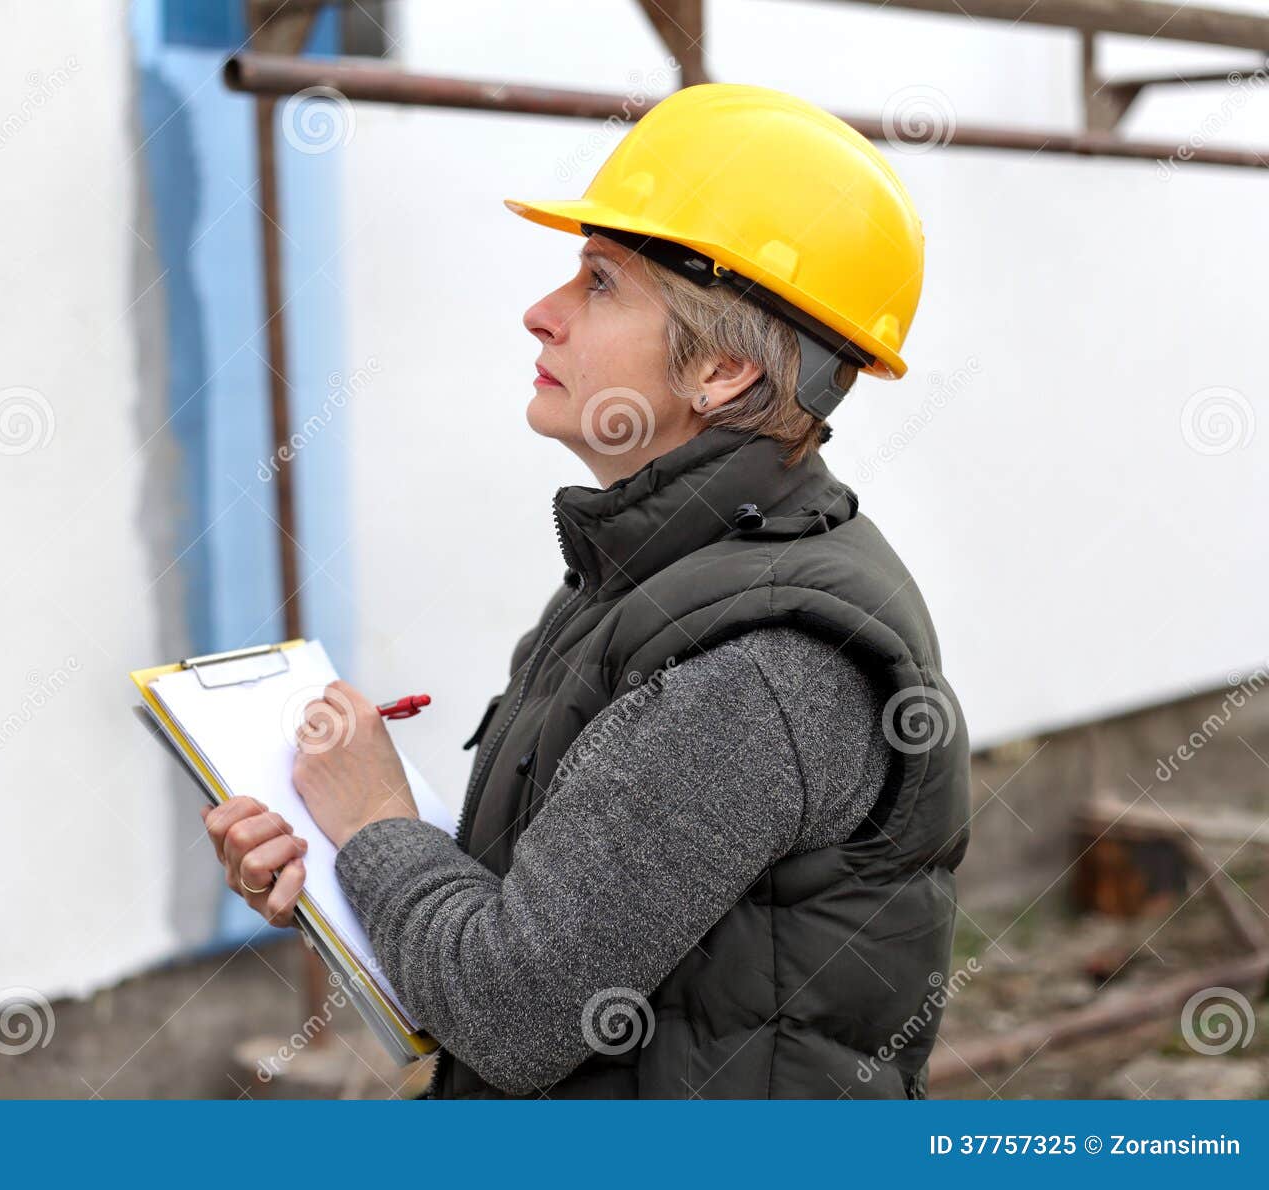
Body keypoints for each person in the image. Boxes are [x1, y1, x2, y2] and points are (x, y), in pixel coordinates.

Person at [204, 83, 970, 1099]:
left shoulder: (762, 664)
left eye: (600, 283)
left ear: (727, 372)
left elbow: (516, 1013)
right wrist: (342, 861)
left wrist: (375, 823)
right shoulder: (654, 578)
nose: (543, 311)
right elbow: (542, 930)